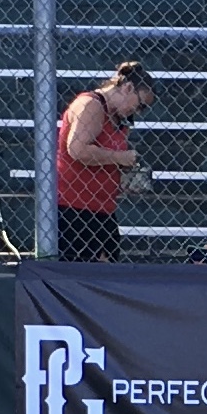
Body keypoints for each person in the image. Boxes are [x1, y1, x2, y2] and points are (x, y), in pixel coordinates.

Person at [49, 57, 151, 261]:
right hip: (75, 208)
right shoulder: (92, 105)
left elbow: (104, 159)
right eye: (140, 105)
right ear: (128, 88)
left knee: (106, 269)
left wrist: (124, 176)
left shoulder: (119, 118)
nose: (138, 112)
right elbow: (77, 149)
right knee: (82, 270)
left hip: (103, 209)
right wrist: (119, 157)